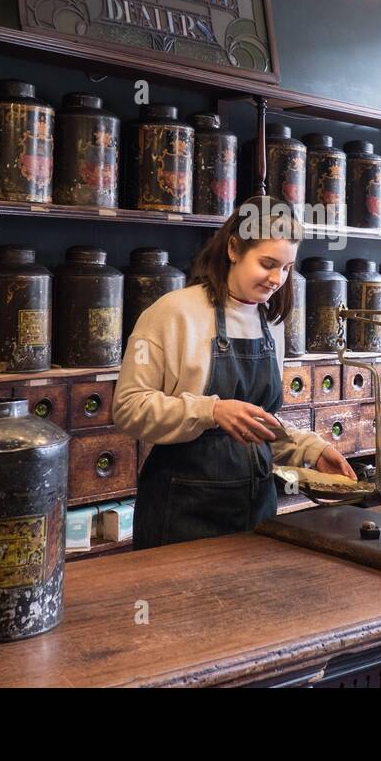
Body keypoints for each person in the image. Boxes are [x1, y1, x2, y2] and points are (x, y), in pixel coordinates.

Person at [114, 196, 356, 550]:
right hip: (182, 510)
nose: (277, 279)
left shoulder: (269, 323)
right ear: (233, 249)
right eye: (267, 264)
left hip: (255, 510)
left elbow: (260, 421)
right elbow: (128, 409)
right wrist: (210, 411)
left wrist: (309, 450)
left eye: (287, 267)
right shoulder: (174, 313)